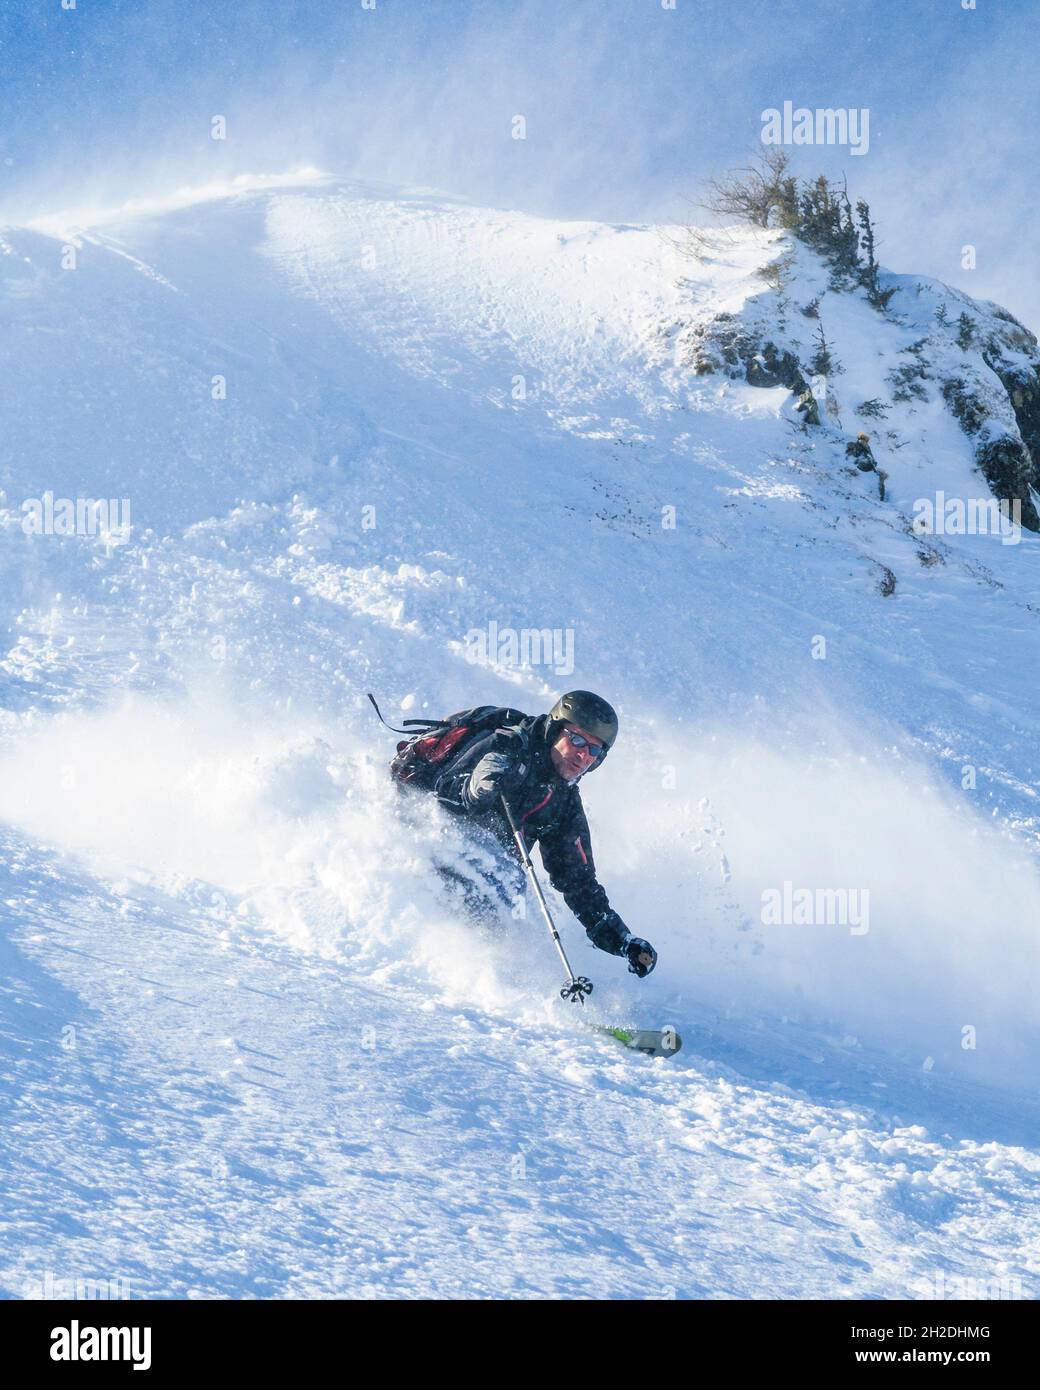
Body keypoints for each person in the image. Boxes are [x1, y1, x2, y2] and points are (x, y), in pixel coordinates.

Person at [420, 690, 657, 978]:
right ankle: (455, 970)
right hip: (423, 841)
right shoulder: (507, 745)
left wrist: (622, 941)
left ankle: (498, 981)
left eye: (594, 751)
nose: (584, 755)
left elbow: (578, 882)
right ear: (556, 729)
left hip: (483, 871)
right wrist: (472, 790)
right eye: (578, 740)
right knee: (504, 880)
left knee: (513, 902)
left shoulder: (564, 803)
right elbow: (437, 791)